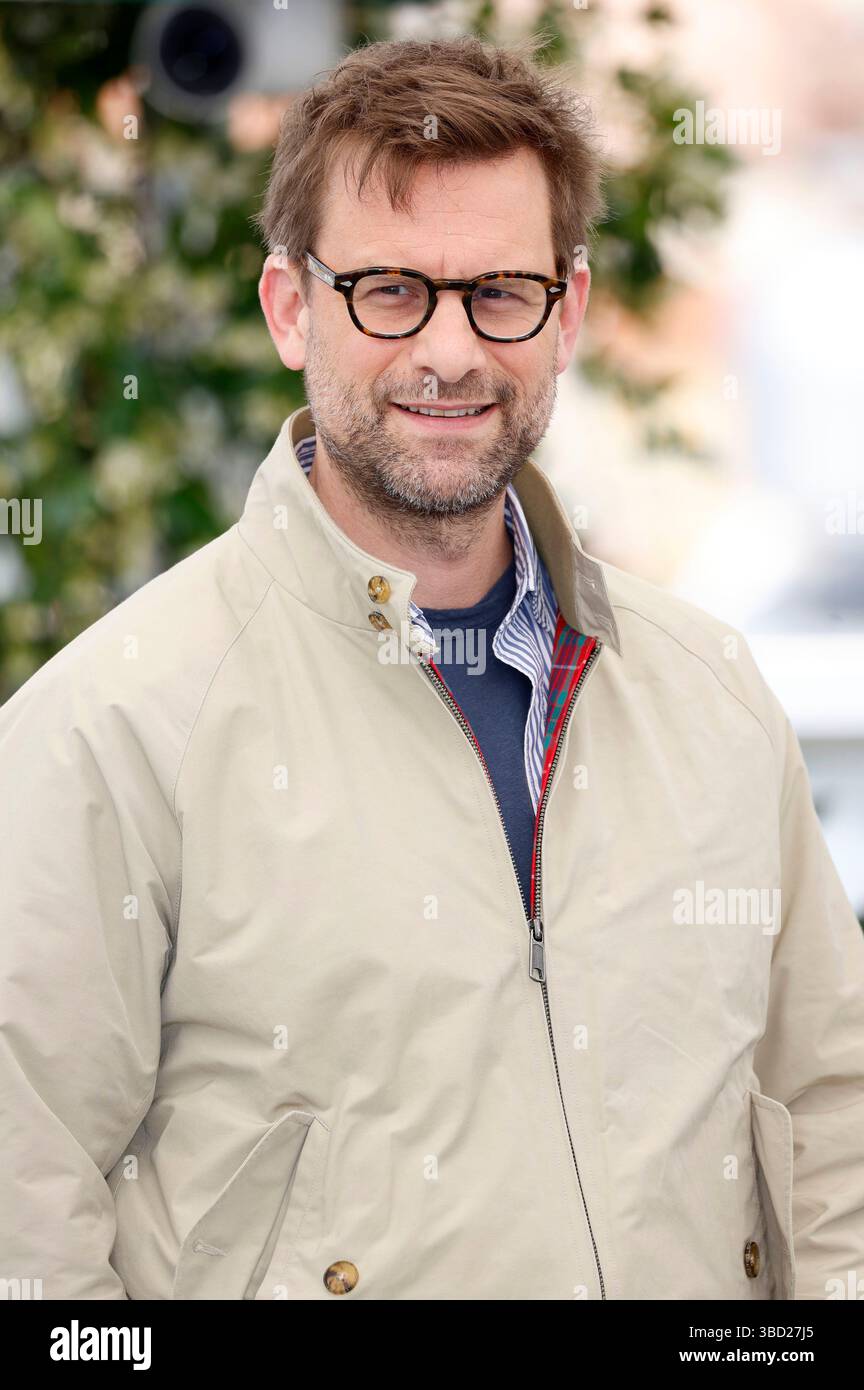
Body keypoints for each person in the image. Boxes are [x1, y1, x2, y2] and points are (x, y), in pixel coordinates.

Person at [1, 35, 862, 1303]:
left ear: (567, 313)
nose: (451, 351)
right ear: (290, 308)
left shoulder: (714, 693)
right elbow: (26, 1223)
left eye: (500, 292)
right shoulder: (108, 728)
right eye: (391, 290)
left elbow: (834, 1126)